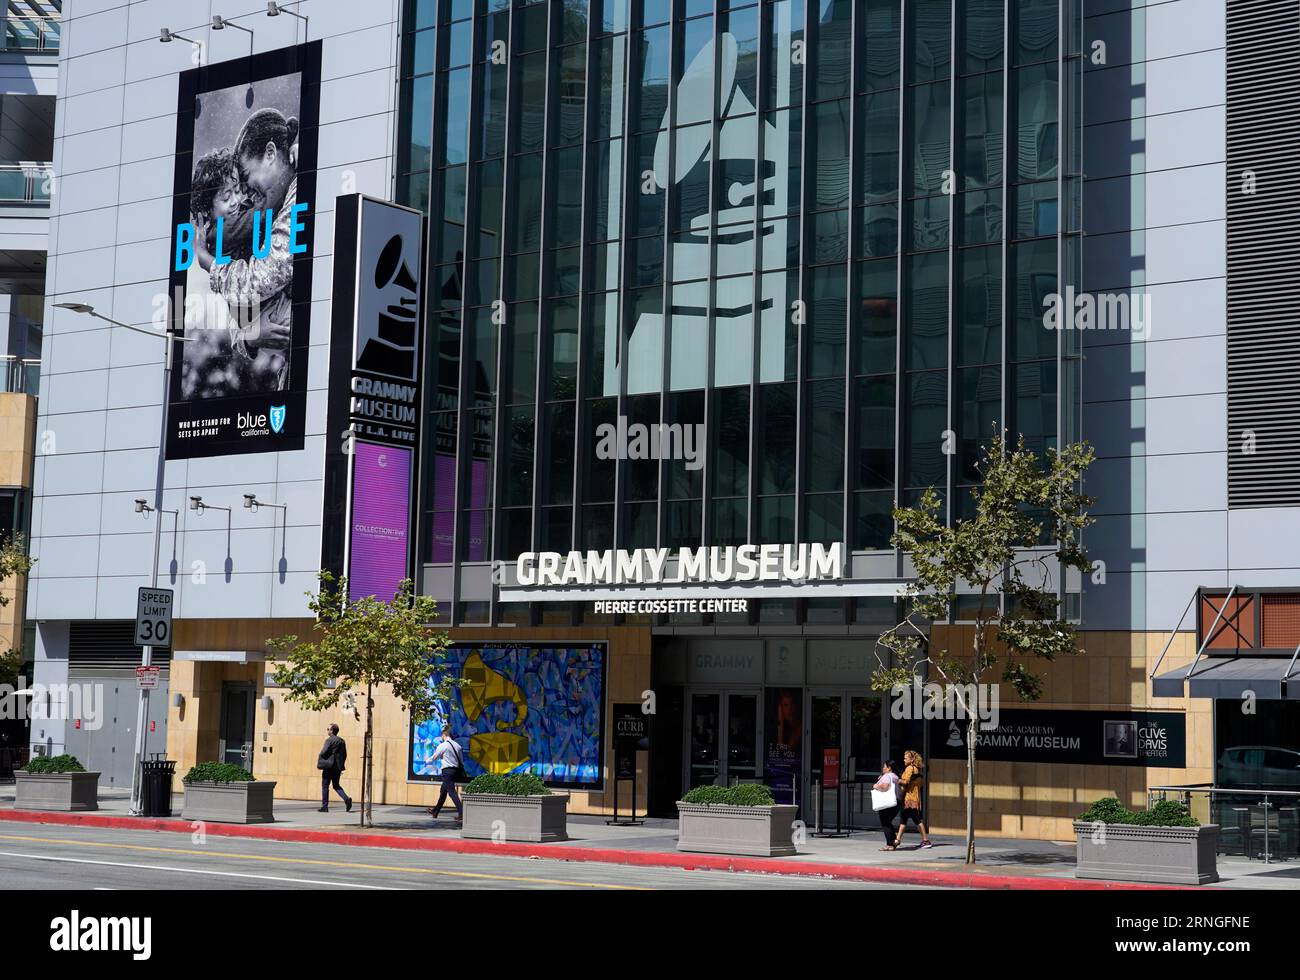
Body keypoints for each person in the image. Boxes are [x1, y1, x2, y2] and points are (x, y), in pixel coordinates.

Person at [894, 749, 932, 849]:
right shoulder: (917, 769)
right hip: (915, 797)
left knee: (916, 819)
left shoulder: (909, 768)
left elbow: (905, 782)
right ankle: (897, 840)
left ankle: (926, 840)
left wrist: (897, 780)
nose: (904, 760)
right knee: (904, 818)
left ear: (911, 760)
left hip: (909, 798)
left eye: (905, 758)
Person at [426, 729, 465, 823]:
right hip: (455, 771)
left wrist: (427, 761)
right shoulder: (458, 746)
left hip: (447, 771)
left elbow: (435, 756)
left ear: (444, 735)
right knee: (443, 791)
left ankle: (462, 813)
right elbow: (461, 760)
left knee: (452, 792)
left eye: (442, 737)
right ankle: (435, 811)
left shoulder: (443, 745)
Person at [317, 723, 351, 813]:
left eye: (328, 729)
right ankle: (346, 799)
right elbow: (344, 755)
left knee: (325, 786)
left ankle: (325, 806)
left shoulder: (329, 740)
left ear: (332, 731)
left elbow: (323, 752)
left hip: (328, 766)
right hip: (337, 767)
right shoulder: (342, 741)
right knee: (336, 785)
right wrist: (341, 765)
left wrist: (321, 756)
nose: (327, 730)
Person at [874, 759, 902, 851]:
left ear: (889, 768)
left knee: (885, 822)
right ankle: (893, 842)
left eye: (884, 766)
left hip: (887, 803)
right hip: (896, 802)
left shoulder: (887, 776)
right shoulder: (895, 776)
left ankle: (890, 844)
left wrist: (876, 786)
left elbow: (885, 787)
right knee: (888, 822)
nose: (883, 768)